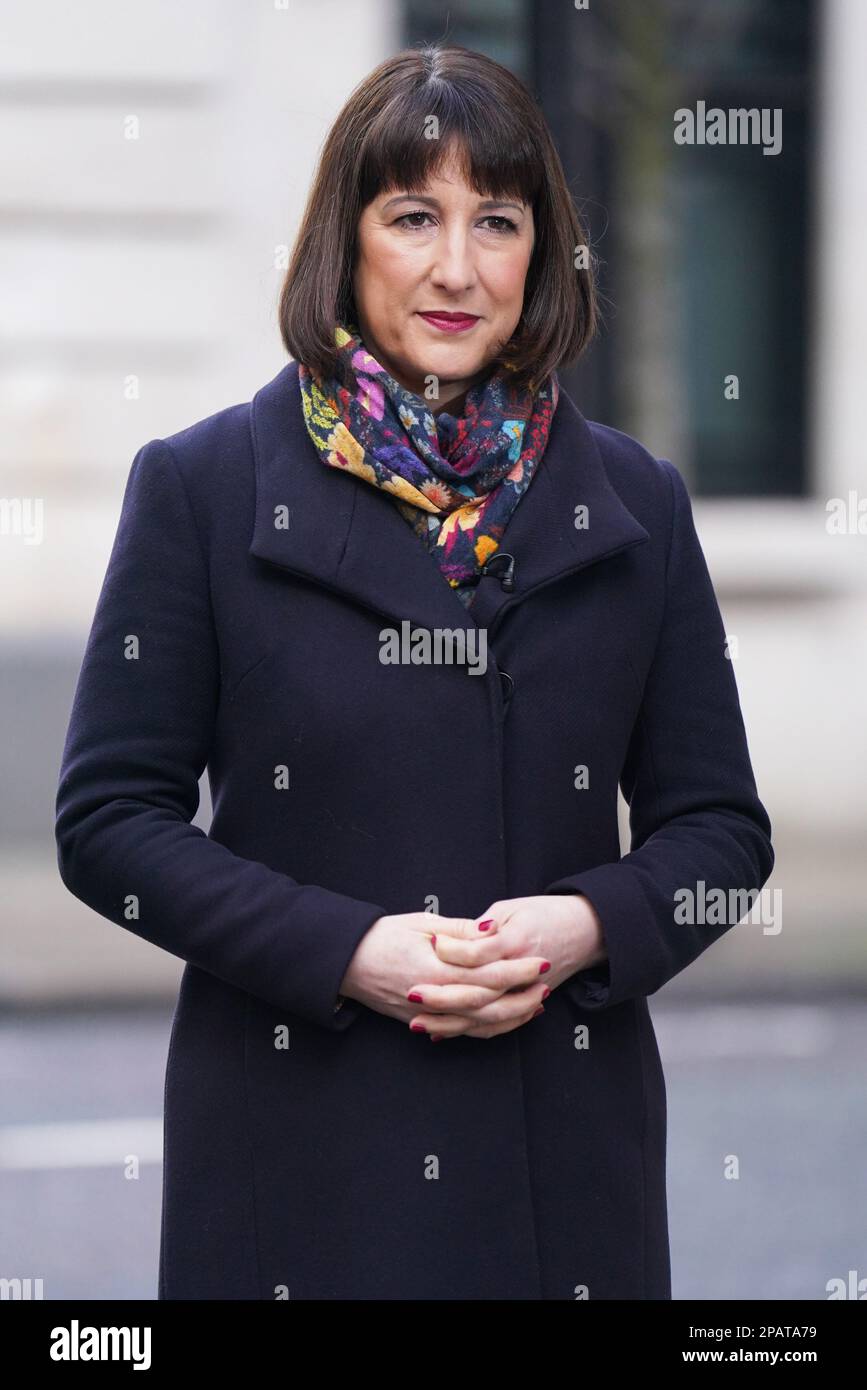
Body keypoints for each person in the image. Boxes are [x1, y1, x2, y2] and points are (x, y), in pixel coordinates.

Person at [55, 42, 774, 1300]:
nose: (456, 266)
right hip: (298, 1163)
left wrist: (589, 926)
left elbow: (720, 833)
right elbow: (109, 825)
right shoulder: (204, 487)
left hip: (566, 1170)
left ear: (542, 253)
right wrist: (346, 950)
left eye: (496, 219)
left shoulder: (638, 503)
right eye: (412, 216)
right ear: (350, 240)